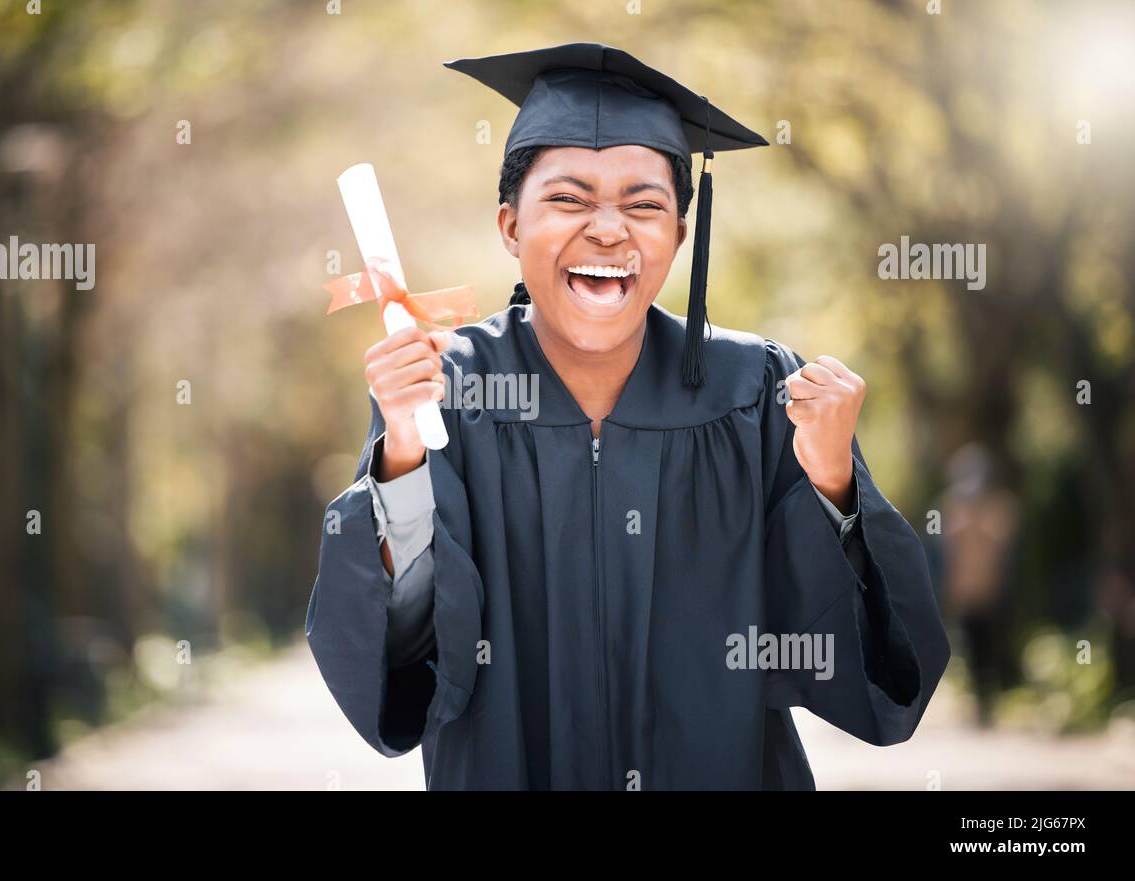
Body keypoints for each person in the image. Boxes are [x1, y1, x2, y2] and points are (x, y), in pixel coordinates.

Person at [306, 42, 950, 790]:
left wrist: (834, 483)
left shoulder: (757, 390)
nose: (608, 230)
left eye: (644, 204)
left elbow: (853, 666)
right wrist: (404, 460)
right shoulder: (446, 391)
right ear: (511, 228)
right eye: (569, 199)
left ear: (680, 232)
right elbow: (407, 668)